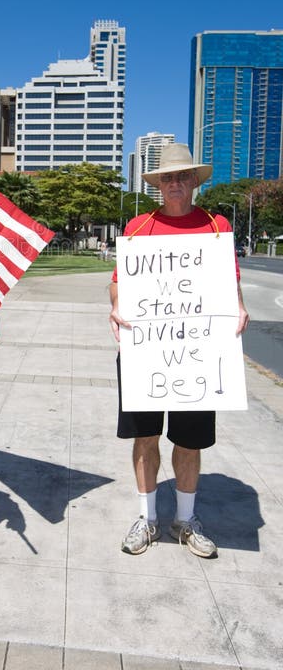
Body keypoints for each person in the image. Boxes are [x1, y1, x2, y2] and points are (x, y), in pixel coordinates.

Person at [109, 144, 249, 558]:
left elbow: (229, 281)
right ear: (159, 185)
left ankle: (185, 520)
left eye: (182, 177)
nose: (174, 183)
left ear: (193, 182)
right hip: (146, 353)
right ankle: (147, 518)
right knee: (146, 437)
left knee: (190, 442)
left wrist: (238, 308)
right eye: (167, 178)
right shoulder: (138, 227)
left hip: (198, 353)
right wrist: (116, 306)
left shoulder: (216, 224)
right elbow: (118, 283)